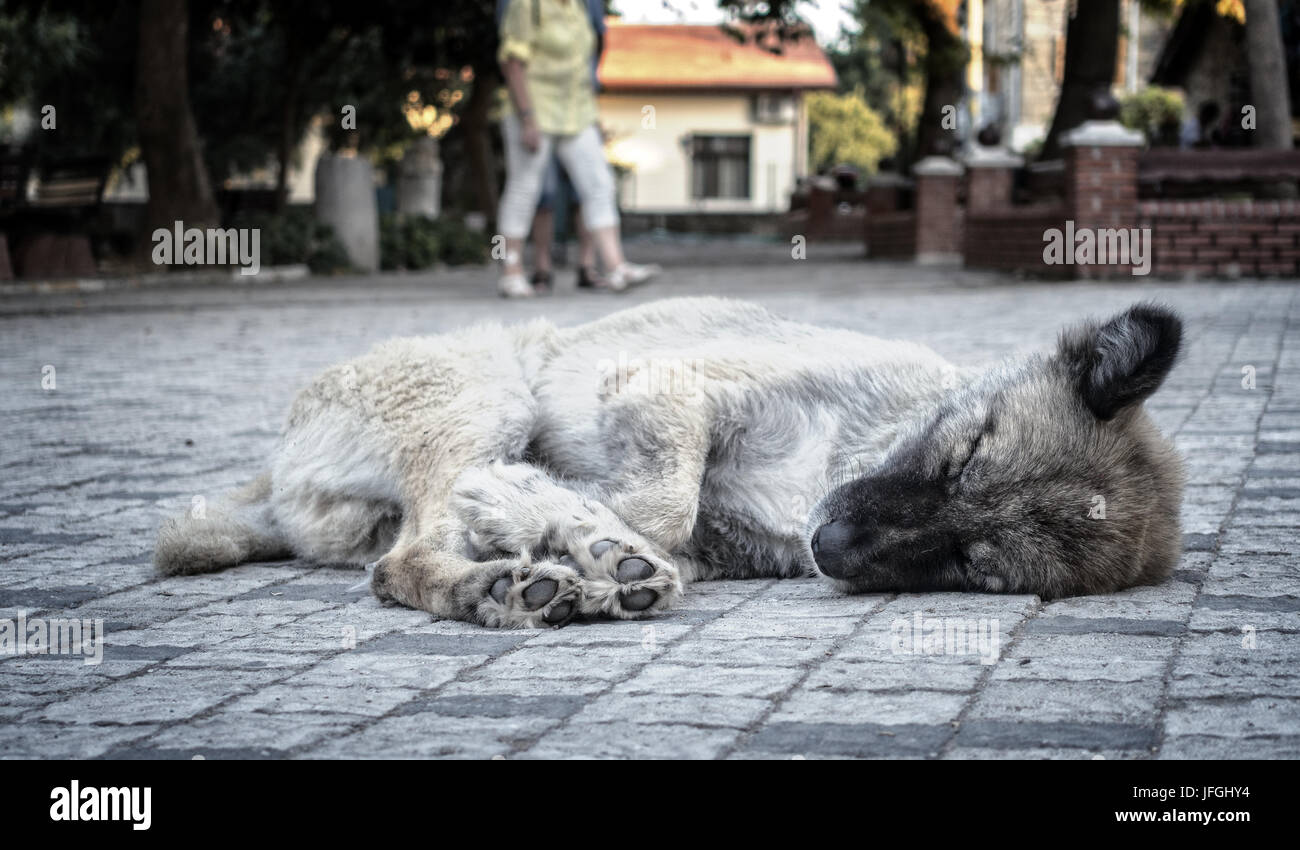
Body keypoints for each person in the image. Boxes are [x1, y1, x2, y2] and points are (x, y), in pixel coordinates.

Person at [496, 0, 658, 297]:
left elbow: (584, 69)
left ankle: (616, 266)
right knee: (523, 190)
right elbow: (512, 62)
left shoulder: (579, 7)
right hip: (534, 107)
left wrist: (594, 119)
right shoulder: (526, 5)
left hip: (577, 112)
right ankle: (509, 270)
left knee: (599, 184)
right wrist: (527, 118)